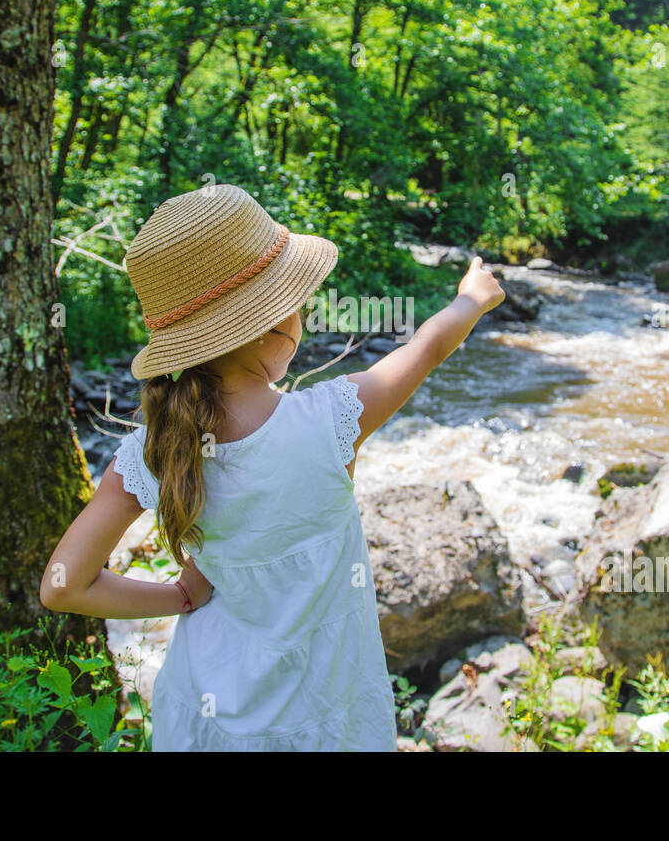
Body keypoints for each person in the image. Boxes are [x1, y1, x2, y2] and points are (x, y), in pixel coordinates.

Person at [40, 183, 505, 750]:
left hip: (204, 721)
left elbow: (63, 587)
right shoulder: (335, 418)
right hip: (325, 721)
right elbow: (428, 347)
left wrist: (178, 598)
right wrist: (471, 299)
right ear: (270, 322)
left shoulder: (152, 449)